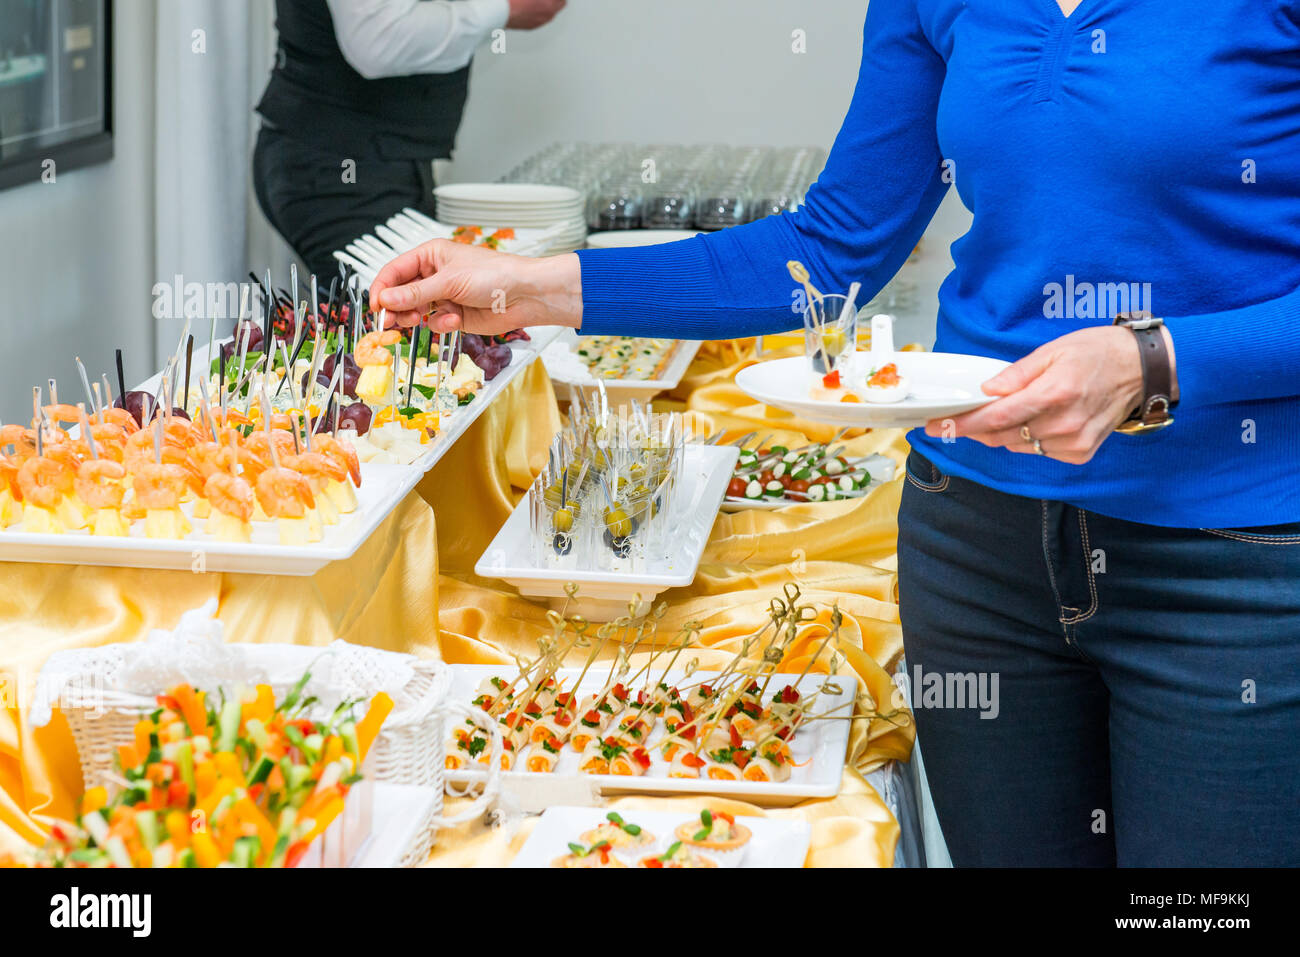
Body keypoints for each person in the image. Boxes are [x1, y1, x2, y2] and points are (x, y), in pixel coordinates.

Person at [370, 0, 1300, 867]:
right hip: (977, 551)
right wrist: (536, 288)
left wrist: (1158, 359)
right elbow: (833, 246)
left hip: (1228, 565)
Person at [253, 0, 566, 281]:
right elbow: (377, 41)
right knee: (398, 326)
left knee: (403, 320)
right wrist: (504, 8)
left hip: (368, 162)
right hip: (339, 171)